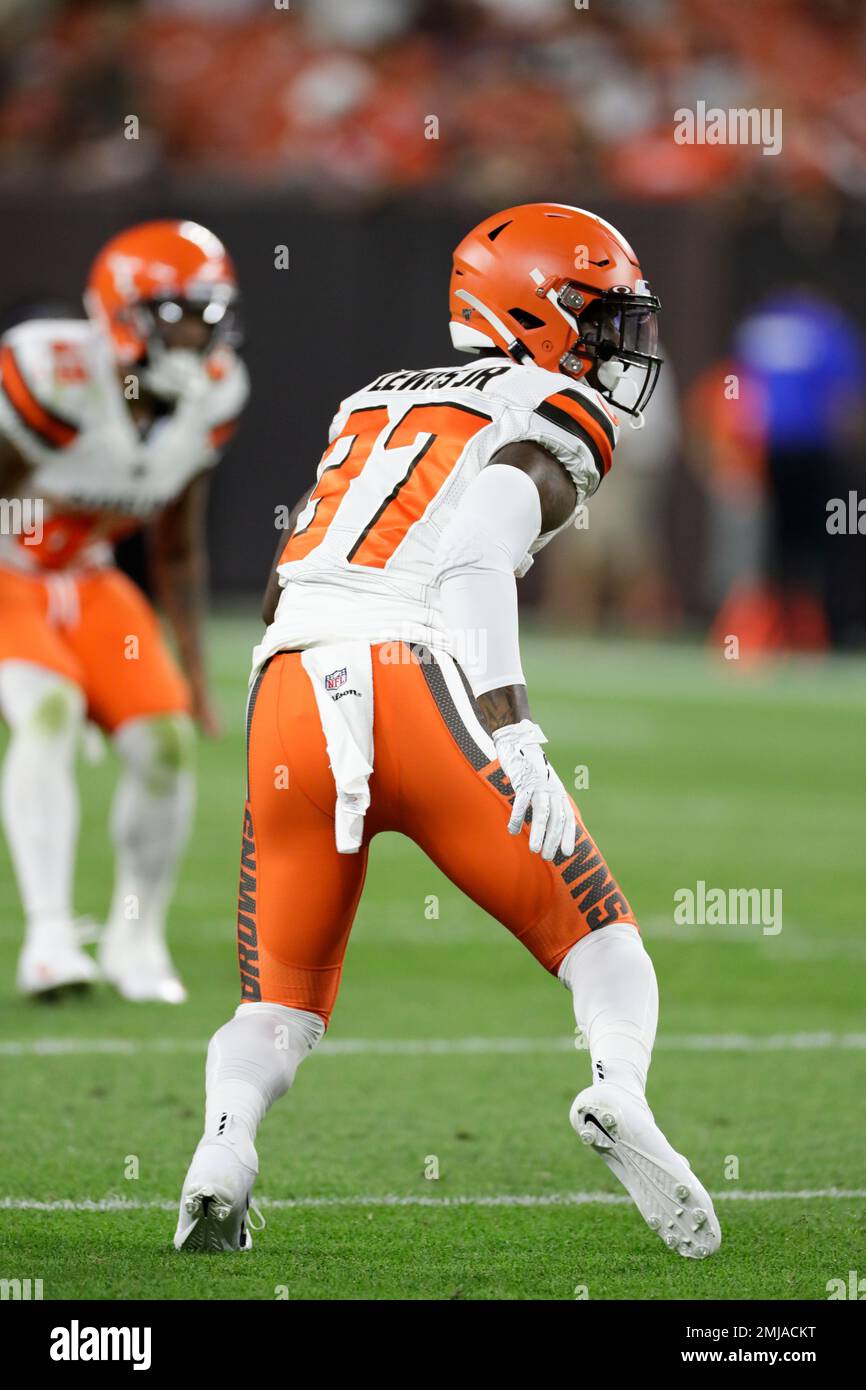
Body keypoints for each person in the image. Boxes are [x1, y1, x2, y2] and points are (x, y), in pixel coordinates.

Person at [175, 203, 720, 1259]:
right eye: (599, 320)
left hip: (286, 681)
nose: (616, 346)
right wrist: (511, 725)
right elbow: (474, 550)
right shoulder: (556, 405)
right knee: (601, 941)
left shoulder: (370, 397)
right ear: (535, 311)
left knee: (276, 1008)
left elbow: (301, 557)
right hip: (413, 677)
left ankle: (223, 1151)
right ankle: (617, 1091)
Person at [0, 220, 248, 1002]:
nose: (195, 332)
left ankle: (134, 941)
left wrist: (198, 678)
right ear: (122, 310)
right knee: (49, 711)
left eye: (208, 313)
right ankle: (47, 937)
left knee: (166, 741)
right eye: (176, 312)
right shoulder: (56, 372)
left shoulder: (216, 390)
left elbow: (176, 549)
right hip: (7, 566)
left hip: (94, 576)